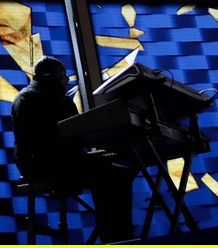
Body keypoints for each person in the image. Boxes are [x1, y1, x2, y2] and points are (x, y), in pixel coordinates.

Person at [11, 57, 135, 243]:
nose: (67, 81)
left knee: (114, 171)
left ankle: (115, 235)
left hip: (59, 159)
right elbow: (45, 143)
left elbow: (76, 133)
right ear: (49, 77)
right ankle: (117, 238)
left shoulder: (59, 100)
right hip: (40, 164)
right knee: (115, 174)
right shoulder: (28, 99)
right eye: (63, 77)